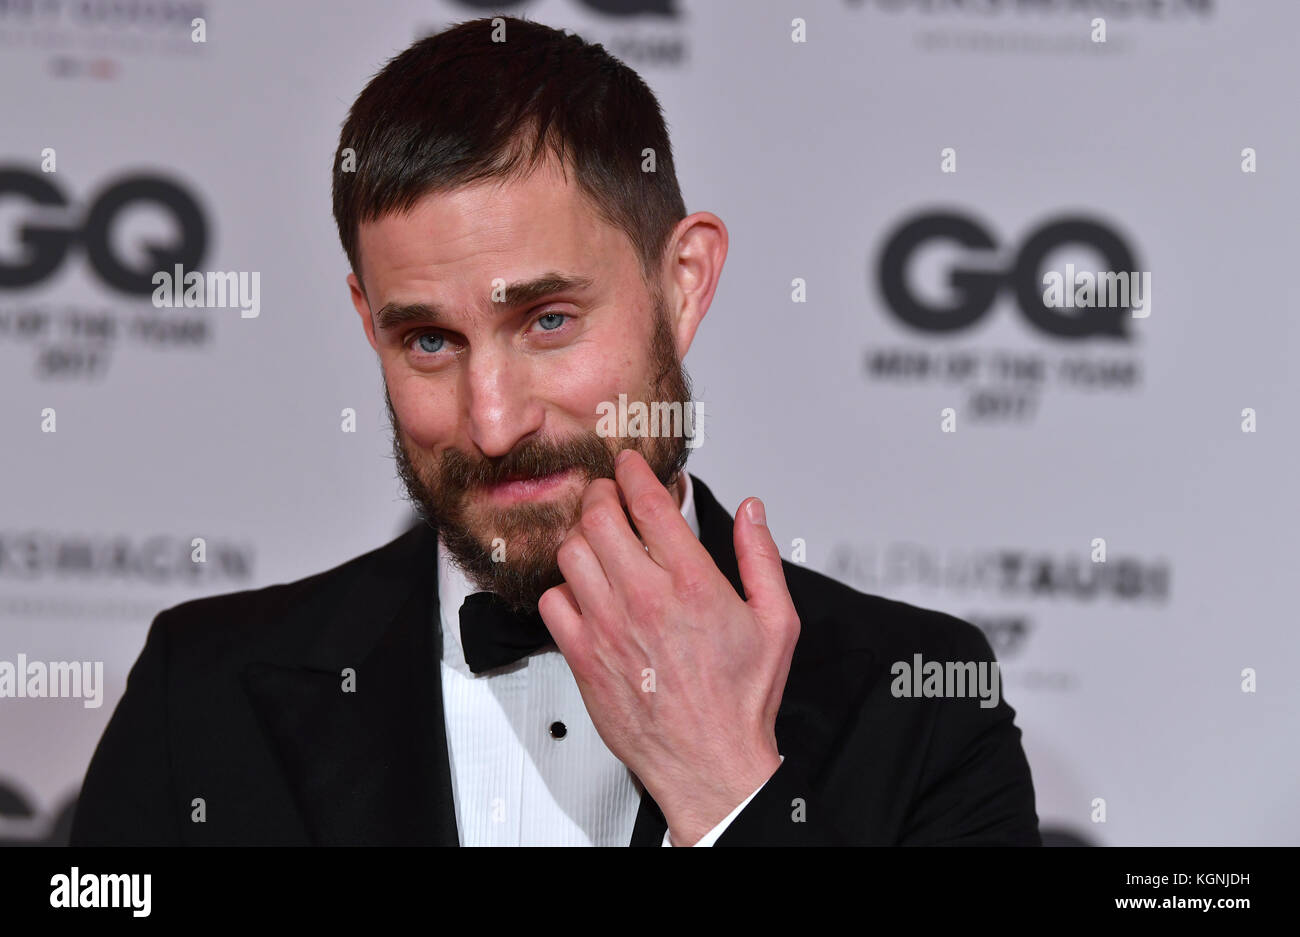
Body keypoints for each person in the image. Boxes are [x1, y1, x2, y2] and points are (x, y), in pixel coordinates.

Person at [70, 16, 1039, 847]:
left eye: (548, 321)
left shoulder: (920, 703)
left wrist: (724, 788)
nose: (493, 422)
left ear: (682, 285)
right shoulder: (204, 694)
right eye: (429, 340)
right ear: (368, 322)